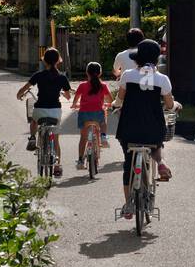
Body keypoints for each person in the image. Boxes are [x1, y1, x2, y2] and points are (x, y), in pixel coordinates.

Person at [113, 38, 177, 220]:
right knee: (156, 145)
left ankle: (128, 205)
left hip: (129, 127)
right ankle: (161, 163)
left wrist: (115, 105)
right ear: (157, 59)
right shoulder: (162, 79)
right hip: (152, 127)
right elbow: (169, 104)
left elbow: (120, 99)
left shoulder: (127, 75)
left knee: (128, 164)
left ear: (137, 59)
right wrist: (174, 106)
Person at [17, 48, 71, 177]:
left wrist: (20, 95)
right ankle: (57, 166)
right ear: (58, 60)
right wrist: (63, 93)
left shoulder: (38, 75)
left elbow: (24, 88)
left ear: (44, 60)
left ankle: (32, 138)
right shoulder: (62, 77)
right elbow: (69, 97)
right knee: (56, 140)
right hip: (55, 112)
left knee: (34, 120)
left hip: (40, 110)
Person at [71, 62, 113, 169]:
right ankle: (103, 136)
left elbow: (75, 100)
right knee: (103, 121)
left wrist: (74, 105)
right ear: (100, 73)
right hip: (98, 114)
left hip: (84, 114)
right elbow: (110, 100)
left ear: (87, 73)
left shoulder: (82, 85)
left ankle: (80, 161)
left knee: (83, 138)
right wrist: (107, 104)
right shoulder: (103, 86)